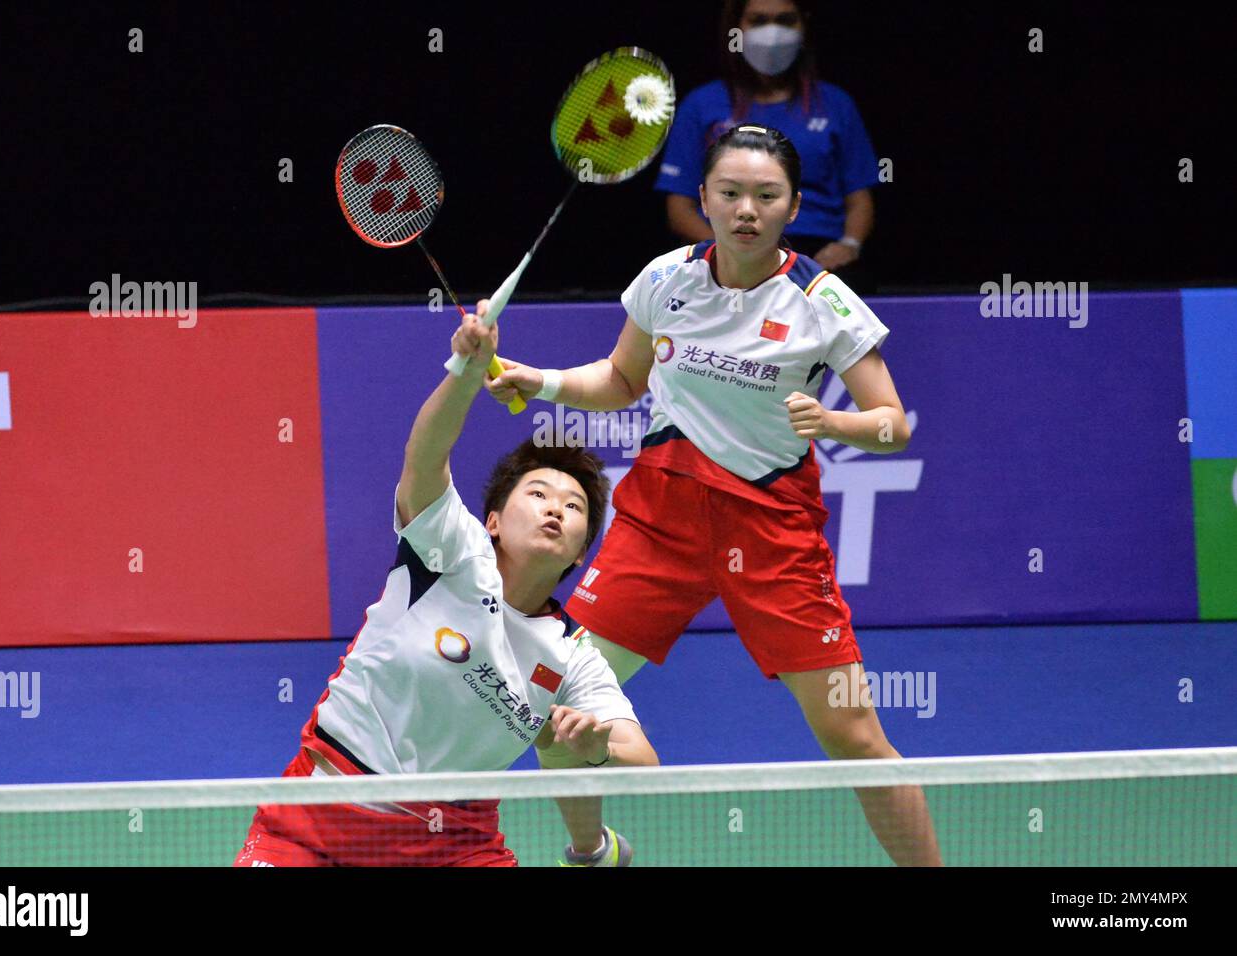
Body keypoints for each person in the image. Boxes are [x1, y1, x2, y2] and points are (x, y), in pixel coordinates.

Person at [487, 124, 942, 866]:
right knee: (555, 695)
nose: (746, 210)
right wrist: (540, 381)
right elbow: (622, 381)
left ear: (793, 206)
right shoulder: (667, 279)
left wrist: (832, 421)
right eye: (729, 193)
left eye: (766, 196)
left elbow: (892, 425)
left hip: (770, 531)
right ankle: (591, 849)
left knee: (853, 734)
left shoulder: (823, 301)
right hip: (658, 522)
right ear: (703, 198)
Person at [235, 308, 658, 867]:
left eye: (574, 506)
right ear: (493, 522)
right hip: (318, 816)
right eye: (536, 495)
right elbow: (426, 456)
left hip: (452, 844)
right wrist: (467, 369)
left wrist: (598, 750)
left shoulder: (569, 655)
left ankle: (594, 853)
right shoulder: (451, 554)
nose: (556, 507)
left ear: (581, 552)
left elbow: (645, 762)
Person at [658, 0, 879, 294]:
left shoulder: (836, 104)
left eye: (785, 20)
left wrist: (848, 245)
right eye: (759, 21)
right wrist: (732, 248)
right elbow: (680, 208)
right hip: (728, 249)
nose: (772, 33)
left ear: (804, 26)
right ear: (736, 28)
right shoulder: (701, 105)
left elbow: (859, 199)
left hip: (819, 257)